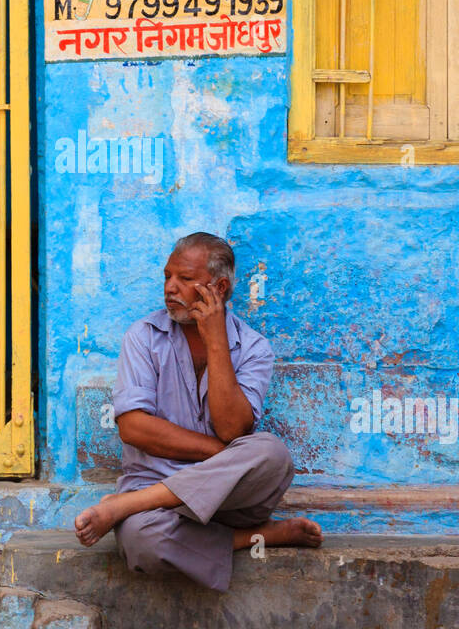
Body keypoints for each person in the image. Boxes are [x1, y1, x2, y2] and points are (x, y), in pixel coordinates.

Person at [73, 231, 322, 593]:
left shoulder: (253, 348)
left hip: (228, 499)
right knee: (143, 543)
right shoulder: (143, 337)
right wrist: (222, 457)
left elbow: (233, 428)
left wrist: (216, 340)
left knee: (272, 454)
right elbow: (134, 429)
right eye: (167, 277)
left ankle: (126, 505)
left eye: (185, 279)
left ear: (218, 288)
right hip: (159, 498)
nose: (170, 288)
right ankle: (258, 536)